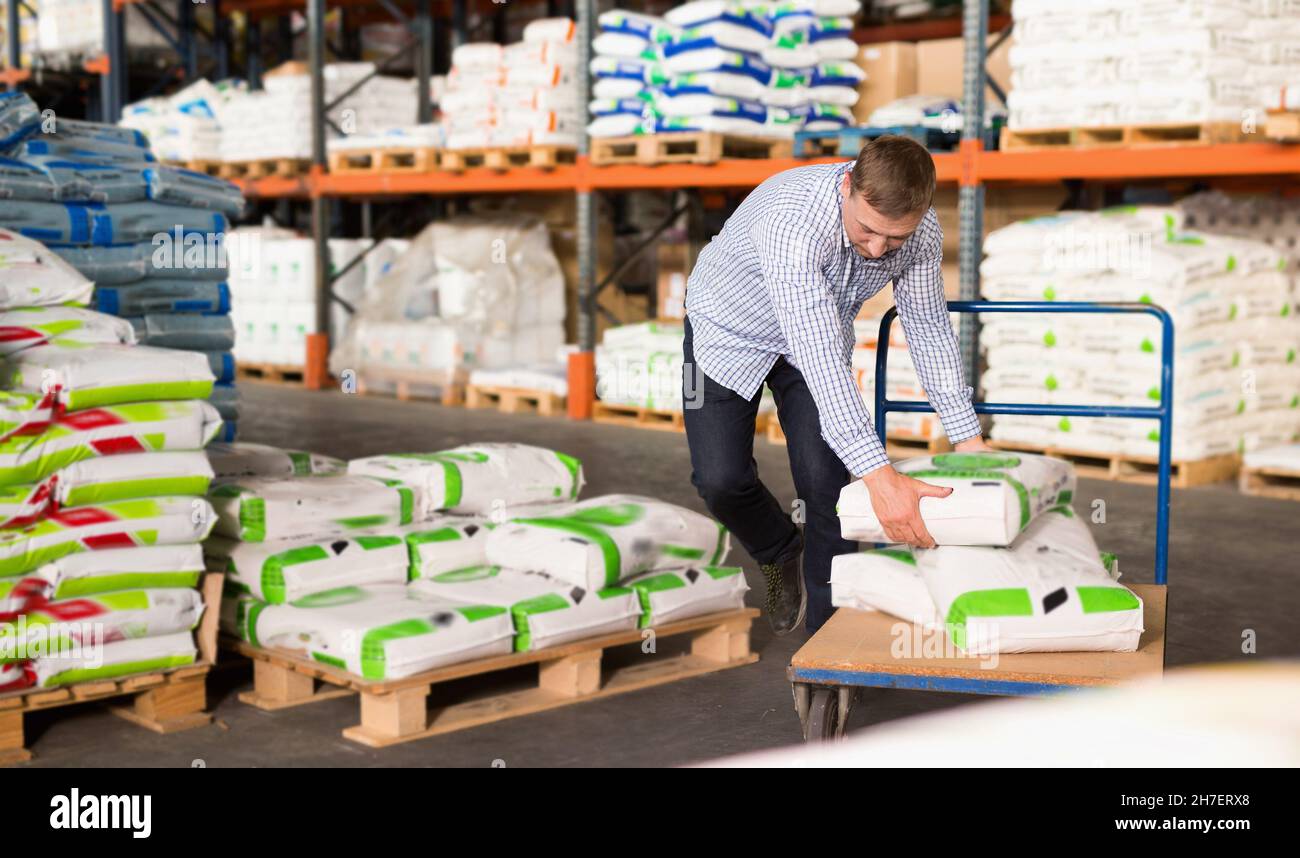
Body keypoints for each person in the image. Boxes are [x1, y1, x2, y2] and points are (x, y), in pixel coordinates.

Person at [681, 135, 991, 636]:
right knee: (720, 480)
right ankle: (779, 548)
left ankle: (829, 641)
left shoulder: (921, 233)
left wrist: (968, 438)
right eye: (868, 230)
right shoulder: (794, 222)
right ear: (847, 186)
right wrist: (882, 476)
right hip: (728, 327)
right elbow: (821, 359)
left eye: (894, 239)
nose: (876, 249)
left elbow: (928, 327)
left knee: (828, 489)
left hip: (817, 333)